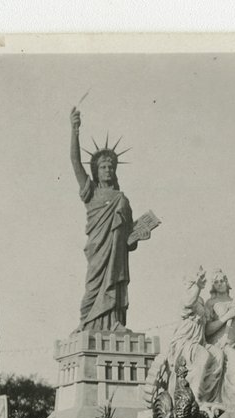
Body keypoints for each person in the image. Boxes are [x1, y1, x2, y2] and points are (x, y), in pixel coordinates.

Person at [70, 107, 148, 331]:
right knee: (92, 288)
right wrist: (75, 130)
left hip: (117, 257)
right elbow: (75, 162)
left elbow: (128, 239)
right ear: (95, 170)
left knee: (116, 282)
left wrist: (139, 235)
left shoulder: (122, 199)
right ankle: (86, 323)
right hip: (97, 252)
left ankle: (115, 322)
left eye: (110, 167)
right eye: (103, 167)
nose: (107, 170)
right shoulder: (91, 193)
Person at [159, 269, 235, 406]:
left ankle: (222, 398)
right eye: (216, 282)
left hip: (223, 342)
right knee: (224, 356)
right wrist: (198, 286)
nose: (219, 284)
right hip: (190, 342)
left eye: (222, 280)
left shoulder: (202, 302)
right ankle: (205, 397)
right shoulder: (194, 300)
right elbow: (205, 326)